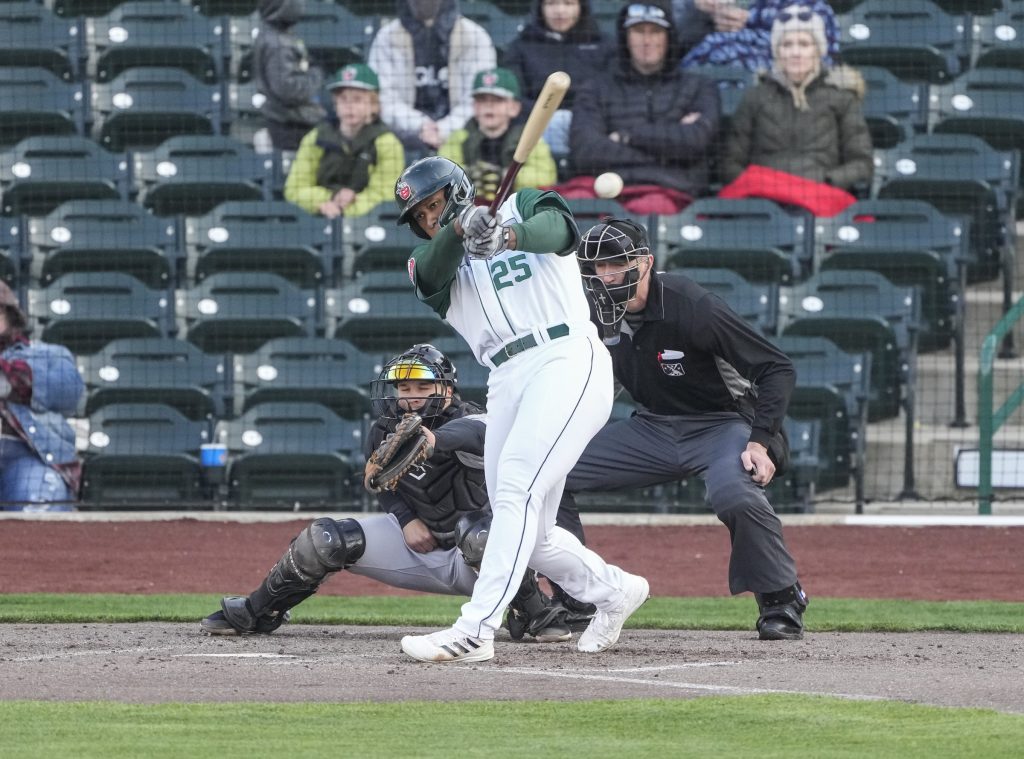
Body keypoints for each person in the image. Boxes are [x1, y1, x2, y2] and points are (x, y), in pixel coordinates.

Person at [394, 156, 649, 663]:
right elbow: (430, 271)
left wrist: (506, 235)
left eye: (435, 204)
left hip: (564, 355)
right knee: (531, 532)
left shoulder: (520, 204)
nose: (428, 218)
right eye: (420, 215)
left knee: (515, 489)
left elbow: (560, 230)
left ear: (459, 191)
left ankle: (475, 630)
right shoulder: (428, 259)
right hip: (505, 377)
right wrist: (459, 229)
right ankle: (615, 590)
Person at [201, 343, 583, 642]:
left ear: (447, 389)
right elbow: (380, 483)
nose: (411, 395)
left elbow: (475, 434)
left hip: (480, 560)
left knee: (480, 534)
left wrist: (430, 440)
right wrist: (405, 519)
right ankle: (257, 611)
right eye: (404, 387)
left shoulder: (476, 417)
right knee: (324, 539)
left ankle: (534, 612)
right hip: (419, 547)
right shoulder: (385, 430)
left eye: (422, 386)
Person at [566, 218, 809, 641]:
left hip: (722, 424)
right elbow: (593, 381)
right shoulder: (589, 314)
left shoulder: (693, 305)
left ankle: (781, 598)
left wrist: (760, 441)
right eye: (595, 269)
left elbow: (777, 368)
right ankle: (573, 595)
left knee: (734, 494)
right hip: (652, 427)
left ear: (644, 263)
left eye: (615, 264)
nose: (605, 277)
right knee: (548, 472)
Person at [568, 0, 720, 213]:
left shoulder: (700, 86)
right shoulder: (595, 88)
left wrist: (627, 136)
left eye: (655, 31)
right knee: (570, 206)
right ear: (626, 37)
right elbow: (585, 150)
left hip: (666, 188)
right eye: (638, 31)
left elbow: (696, 141)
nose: (647, 40)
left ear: (669, 37)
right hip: (601, 184)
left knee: (648, 211)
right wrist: (665, 152)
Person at [721, 5, 872, 192]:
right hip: (764, 198)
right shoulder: (755, 97)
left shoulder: (842, 98)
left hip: (819, 197)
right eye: (787, 44)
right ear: (777, 52)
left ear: (818, 50)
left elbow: (862, 163)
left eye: (804, 44)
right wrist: (755, 185)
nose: (795, 53)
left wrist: (828, 181)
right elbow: (730, 162)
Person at [368, 0, 496, 154]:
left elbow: (478, 97)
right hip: (403, 138)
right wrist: (421, 125)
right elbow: (383, 99)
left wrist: (443, 129)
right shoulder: (387, 36)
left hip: (461, 136)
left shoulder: (473, 35)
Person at [0, 283, 83, 512]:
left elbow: (69, 393)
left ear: (11, 317)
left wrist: (11, 381)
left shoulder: (46, 353)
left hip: (27, 455)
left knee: (41, 497)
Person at [283, 63, 406, 218]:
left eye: (357, 99)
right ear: (335, 104)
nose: (349, 106)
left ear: (374, 105)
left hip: (368, 225)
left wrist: (346, 208)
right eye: (343, 99)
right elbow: (294, 189)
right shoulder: (315, 138)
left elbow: (385, 196)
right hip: (319, 219)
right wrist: (331, 198)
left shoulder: (388, 143)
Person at [502, 0, 611, 156]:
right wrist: (546, 115)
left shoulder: (604, 44)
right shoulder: (521, 46)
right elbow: (515, 97)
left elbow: (610, 92)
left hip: (590, 125)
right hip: (535, 126)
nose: (559, 10)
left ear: (581, 7)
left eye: (568, 3)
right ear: (540, 8)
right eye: (551, 3)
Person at [438, 68, 557, 205]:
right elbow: (442, 174)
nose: (489, 105)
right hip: (467, 211)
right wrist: (470, 176)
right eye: (482, 100)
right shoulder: (459, 137)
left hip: (516, 209)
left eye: (498, 100)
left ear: (514, 108)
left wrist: (506, 176)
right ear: (475, 107)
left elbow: (546, 176)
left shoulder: (528, 137)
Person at [251, 0, 326, 152]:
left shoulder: (276, 36)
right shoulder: (278, 43)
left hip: (290, 121)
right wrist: (315, 75)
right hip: (289, 126)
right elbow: (287, 89)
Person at [681, 0, 839, 72]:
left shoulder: (818, 8)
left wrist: (750, 19)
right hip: (708, 88)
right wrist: (703, 13)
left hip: (786, 91)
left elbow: (819, 60)